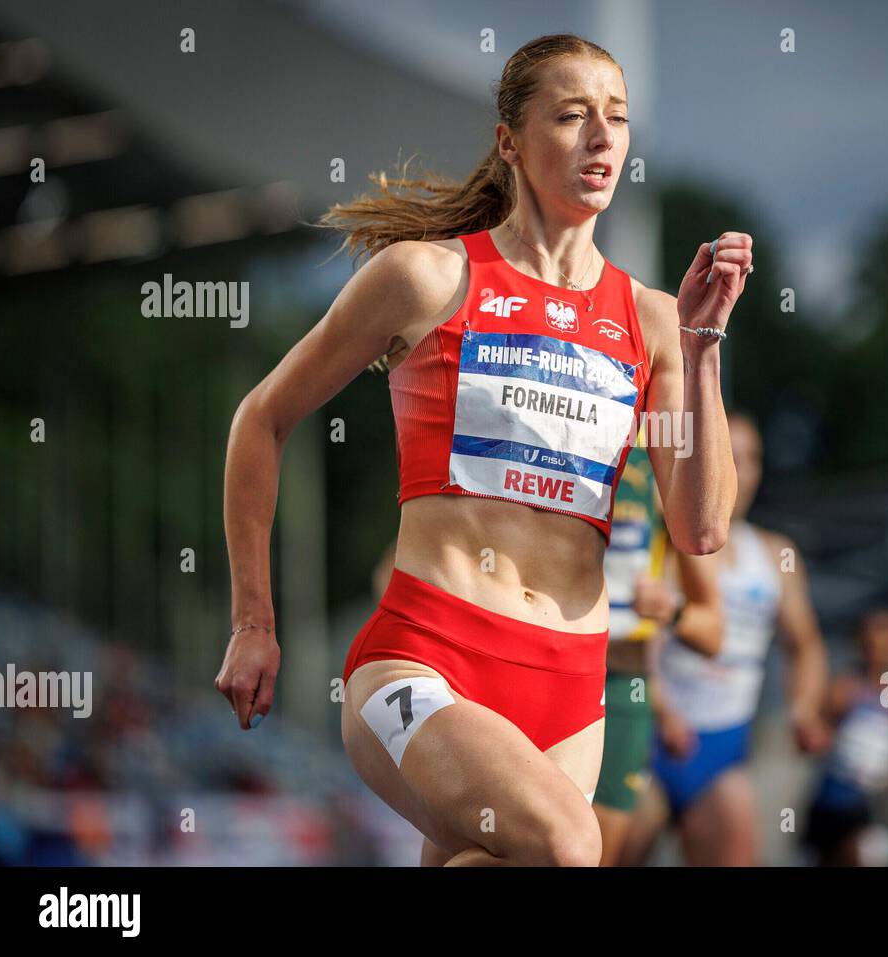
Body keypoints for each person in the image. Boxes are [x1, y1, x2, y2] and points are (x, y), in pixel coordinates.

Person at [214, 33, 751, 866]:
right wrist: (254, 619)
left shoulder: (652, 322)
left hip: (572, 692)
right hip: (422, 663)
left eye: (617, 118)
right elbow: (263, 418)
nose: (602, 138)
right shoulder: (427, 279)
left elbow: (702, 529)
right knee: (572, 846)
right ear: (510, 142)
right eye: (572, 117)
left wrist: (703, 340)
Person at [621, 411, 828, 866]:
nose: (742, 470)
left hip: (723, 751)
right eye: (728, 456)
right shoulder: (671, 540)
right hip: (653, 740)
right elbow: (634, 635)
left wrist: (803, 709)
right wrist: (661, 707)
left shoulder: (777, 555)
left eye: (751, 458)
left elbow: (807, 645)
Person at [593, 436, 722, 865]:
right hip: (540, 670)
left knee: (592, 856)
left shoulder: (663, 466)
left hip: (621, 689)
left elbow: (712, 630)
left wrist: (672, 608)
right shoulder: (559, 426)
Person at [803, 610, 888, 866]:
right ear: (862, 646)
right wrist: (814, 735)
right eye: (872, 647)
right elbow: (812, 738)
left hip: (870, 808)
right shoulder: (844, 689)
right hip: (832, 803)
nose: (881, 655)